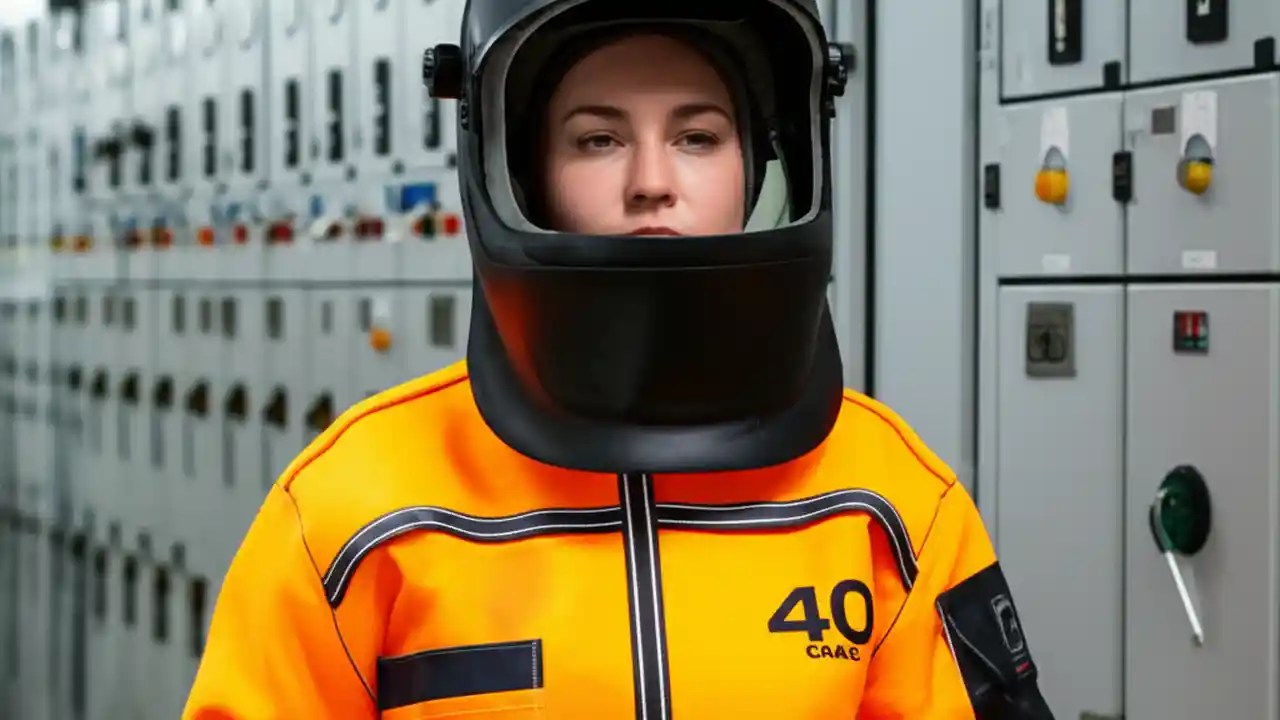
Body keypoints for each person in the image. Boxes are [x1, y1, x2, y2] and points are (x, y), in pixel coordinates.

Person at [183, 1, 1056, 718]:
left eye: (698, 136)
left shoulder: (893, 502)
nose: (651, 179)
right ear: (524, 174)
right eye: (598, 139)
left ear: (758, 165)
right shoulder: (354, 509)